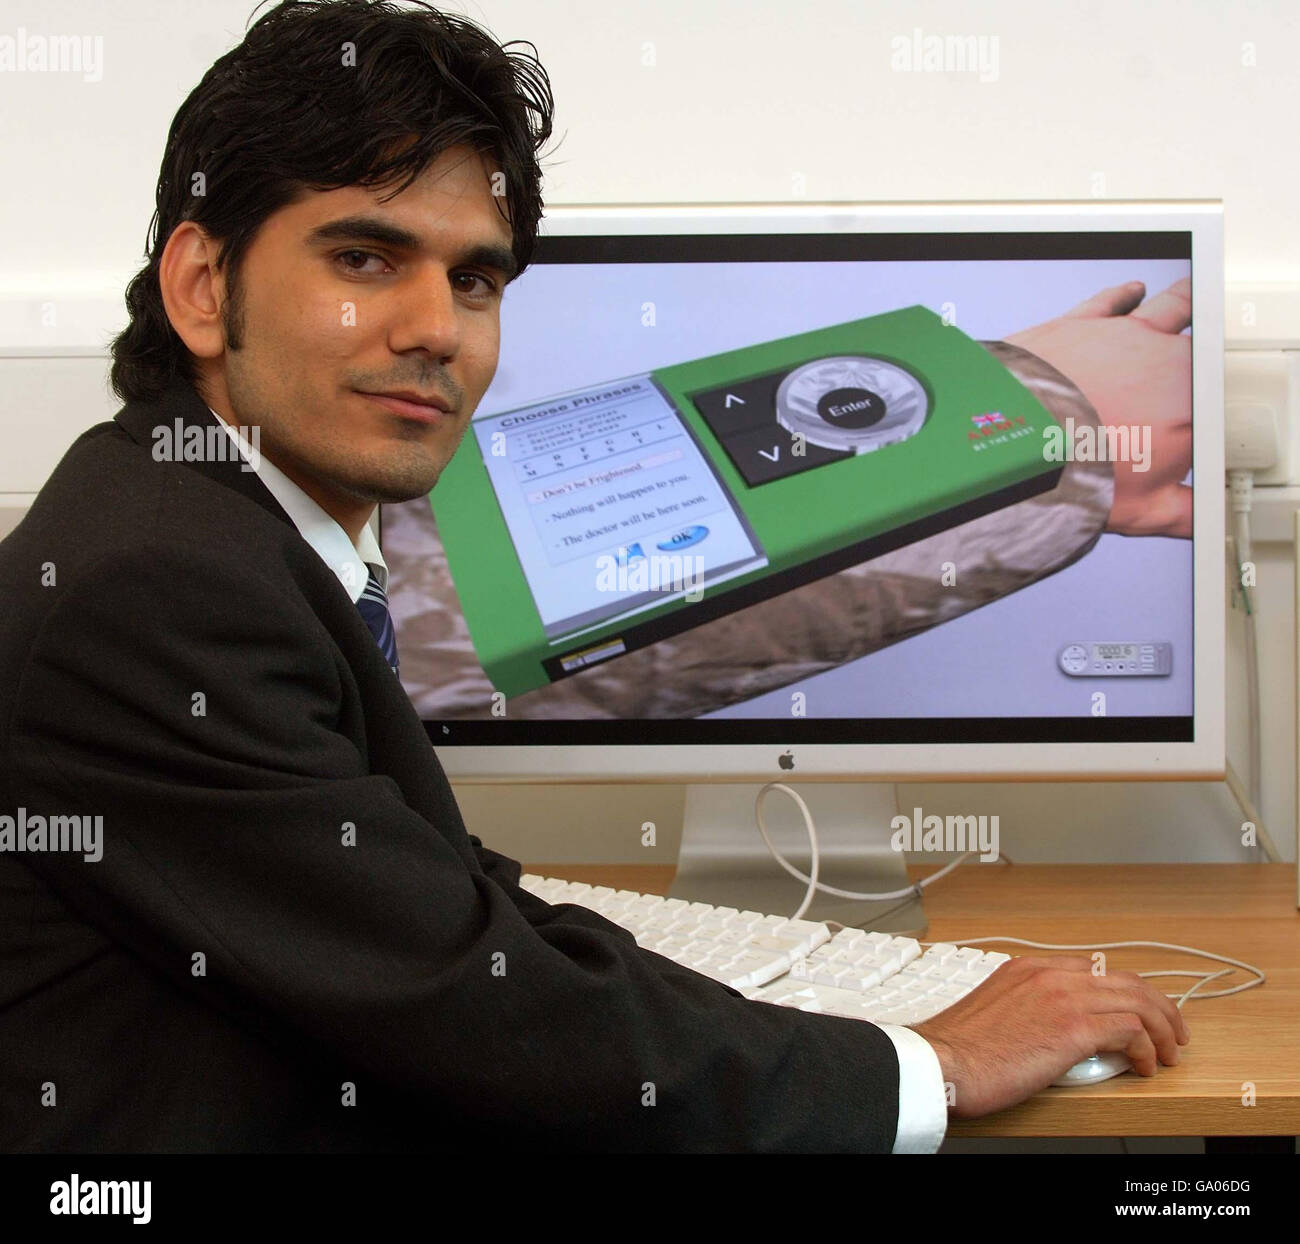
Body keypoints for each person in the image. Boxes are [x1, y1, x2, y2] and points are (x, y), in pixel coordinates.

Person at [0, 0, 1188, 1154]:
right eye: (366, 255)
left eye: (476, 279)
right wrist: (936, 1064)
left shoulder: (207, 518)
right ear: (203, 287)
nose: (439, 328)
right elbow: (467, 998)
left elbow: (439, 906)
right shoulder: (155, 590)